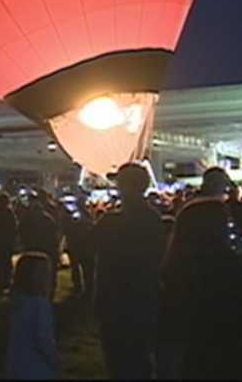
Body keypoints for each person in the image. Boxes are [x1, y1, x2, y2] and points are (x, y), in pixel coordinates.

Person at [158, 197, 242, 379]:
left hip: (193, 358)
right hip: (237, 356)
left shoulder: (176, 268)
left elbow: (169, 323)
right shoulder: (241, 265)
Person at [91, 163, 166, 380]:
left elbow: (88, 245)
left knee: (118, 359)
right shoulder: (153, 218)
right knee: (140, 356)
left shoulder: (111, 221)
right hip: (145, 294)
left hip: (114, 298)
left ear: (124, 186)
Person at [4, 252, 59, 380]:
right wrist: (53, 358)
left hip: (15, 364)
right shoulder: (40, 305)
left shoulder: (17, 302)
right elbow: (43, 337)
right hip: (36, 368)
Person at [18, 195, 61, 298]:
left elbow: (21, 232)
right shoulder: (48, 219)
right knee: (46, 274)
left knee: (32, 274)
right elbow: (54, 235)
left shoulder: (27, 219)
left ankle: (35, 293)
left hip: (32, 249)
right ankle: (48, 294)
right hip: (45, 250)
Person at [62, 205, 96, 300]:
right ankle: (82, 287)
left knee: (85, 269)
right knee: (82, 268)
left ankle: (86, 289)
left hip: (82, 247)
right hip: (79, 247)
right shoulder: (73, 220)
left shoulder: (84, 220)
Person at [0, 193, 18, 294]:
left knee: (0, 262)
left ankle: (0, 282)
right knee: (6, 263)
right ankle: (6, 281)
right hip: (6, 241)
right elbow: (14, 227)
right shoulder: (9, 213)